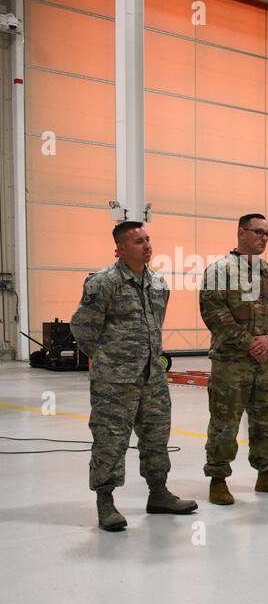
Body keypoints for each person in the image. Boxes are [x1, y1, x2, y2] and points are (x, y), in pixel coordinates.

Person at [70, 220, 196, 531]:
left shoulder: (158, 284)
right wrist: (107, 360)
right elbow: (82, 329)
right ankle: (106, 500)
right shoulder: (103, 283)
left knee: (156, 437)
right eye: (139, 241)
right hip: (115, 381)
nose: (147, 245)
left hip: (152, 376)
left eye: (148, 239)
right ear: (120, 248)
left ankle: (159, 493)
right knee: (110, 439)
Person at [201, 213, 268, 504]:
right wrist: (248, 342)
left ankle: (265, 473)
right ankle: (218, 478)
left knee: (266, 420)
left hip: (267, 363)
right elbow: (213, 312)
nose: (264, 238)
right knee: (224, 422)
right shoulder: (219, 271)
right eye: (258, 232)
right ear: (241, 233)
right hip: (231, 363)